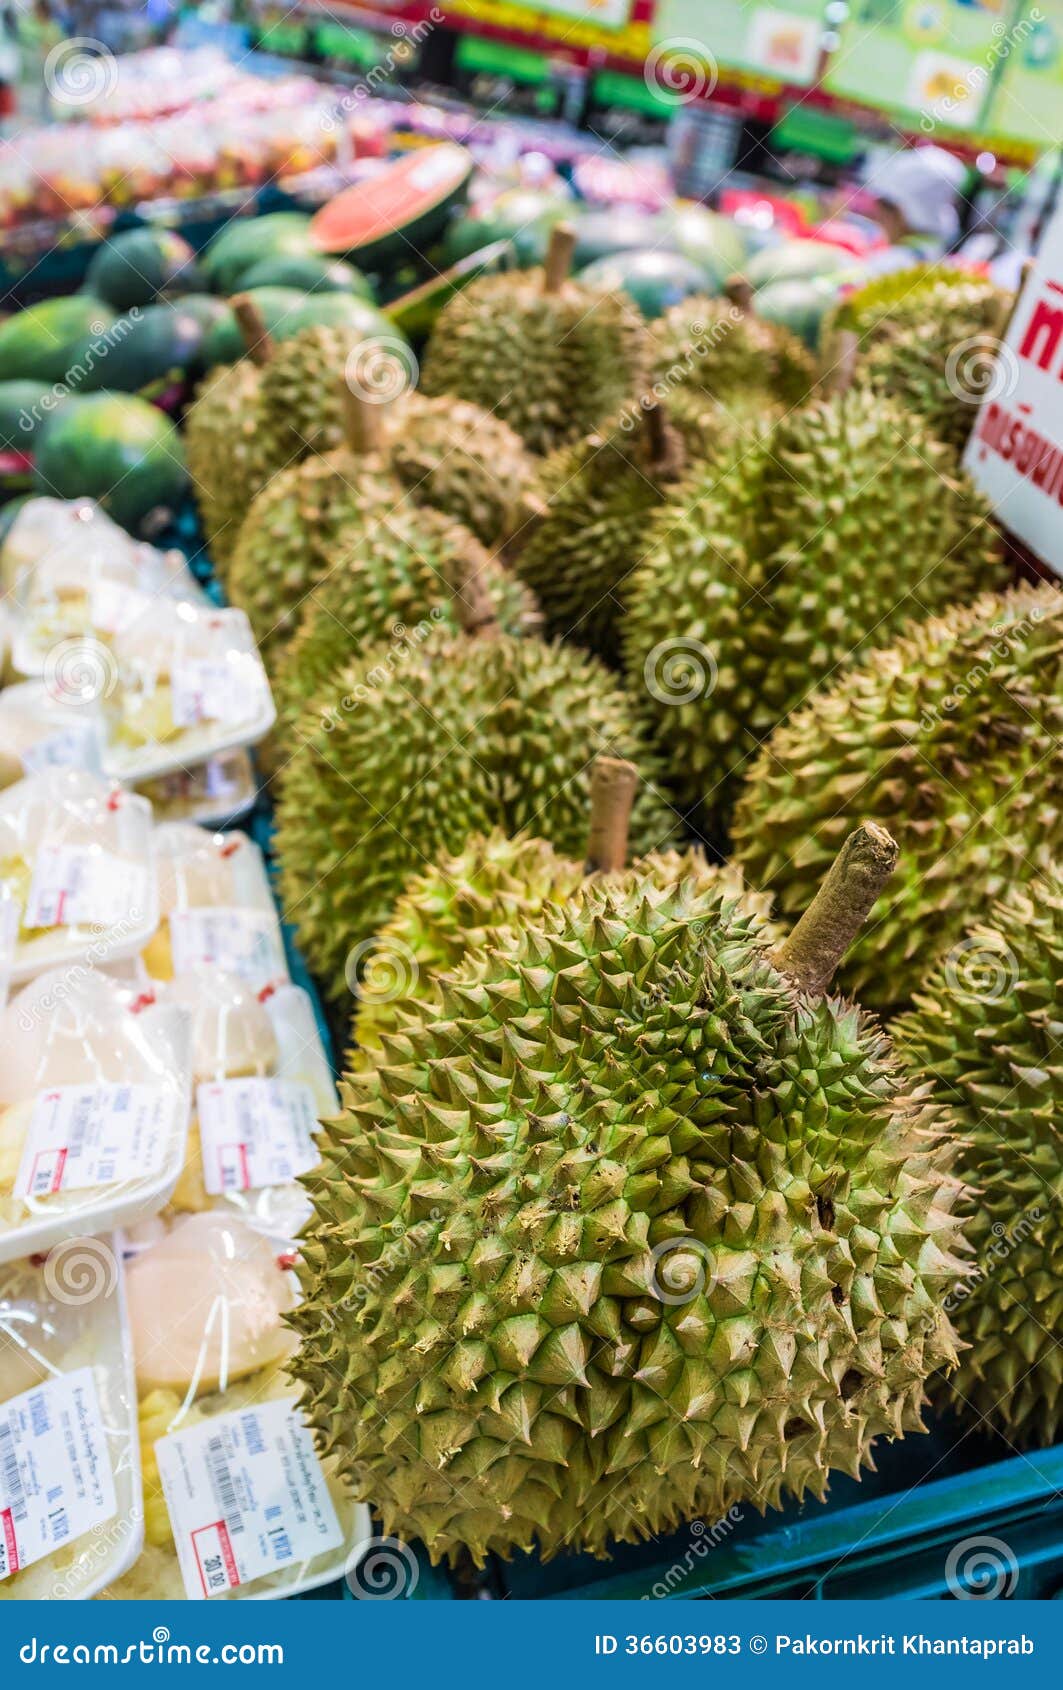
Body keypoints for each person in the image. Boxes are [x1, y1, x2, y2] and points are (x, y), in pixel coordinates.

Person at [864, 144, 969, 271]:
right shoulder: (946, 264)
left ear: (898, 213)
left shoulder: (886, 267)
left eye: (883, 206)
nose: (878, 218)